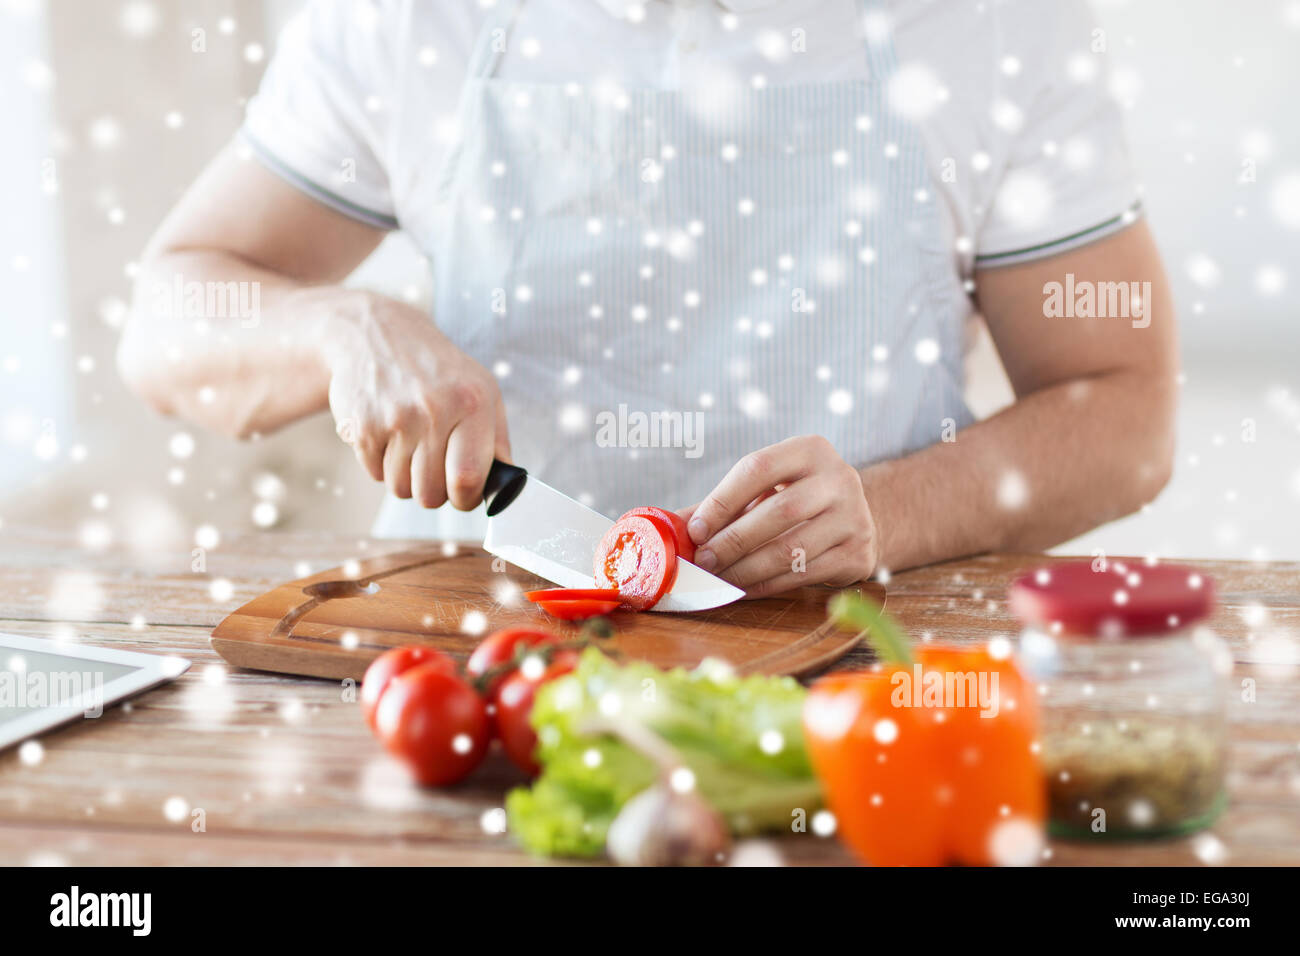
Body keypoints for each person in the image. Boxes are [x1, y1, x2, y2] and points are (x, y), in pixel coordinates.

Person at [118, 0, 1177, 598]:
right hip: (480, 663)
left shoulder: (993, 27)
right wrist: (340, 326)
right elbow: (165, 321)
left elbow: (1125, 412)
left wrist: (888, 511)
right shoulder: (406, 21)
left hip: (860, 651)